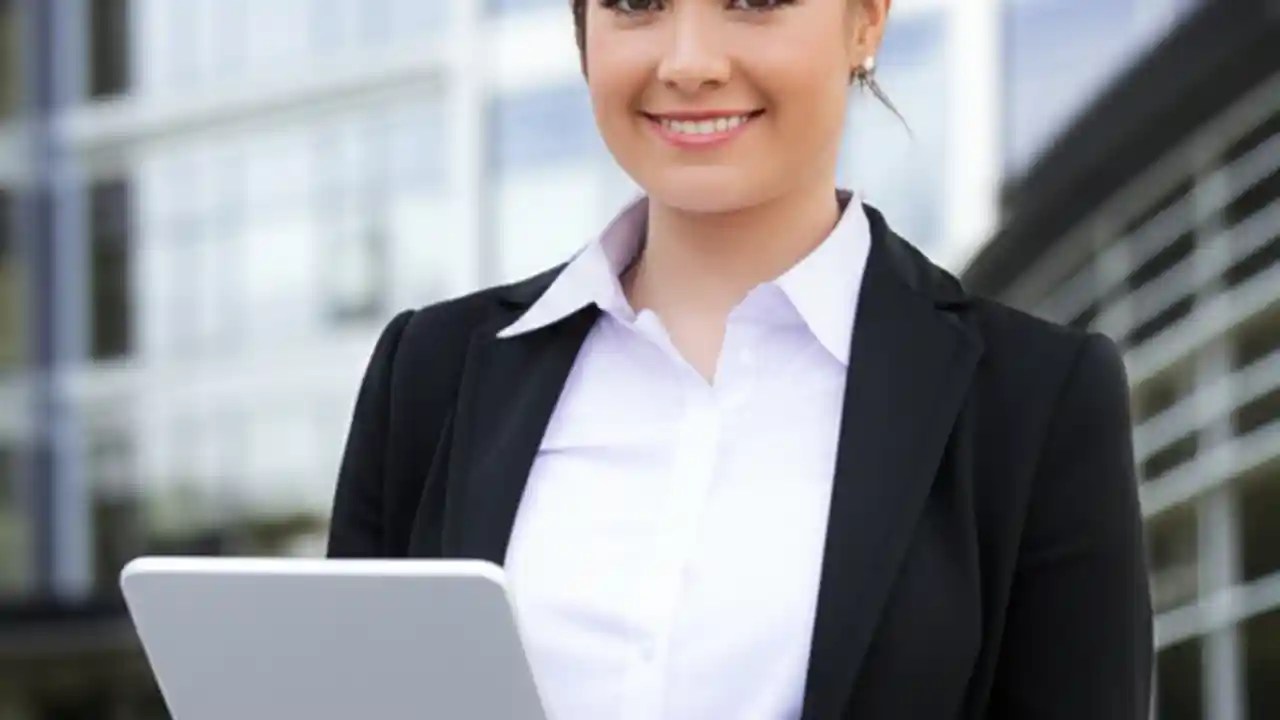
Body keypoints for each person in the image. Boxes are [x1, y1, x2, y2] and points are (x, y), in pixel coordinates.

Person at [327, 0, 1154, 717]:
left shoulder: (1034, 404)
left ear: (866, 20)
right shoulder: (428, 375)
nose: (688, 62)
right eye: (636, 1)